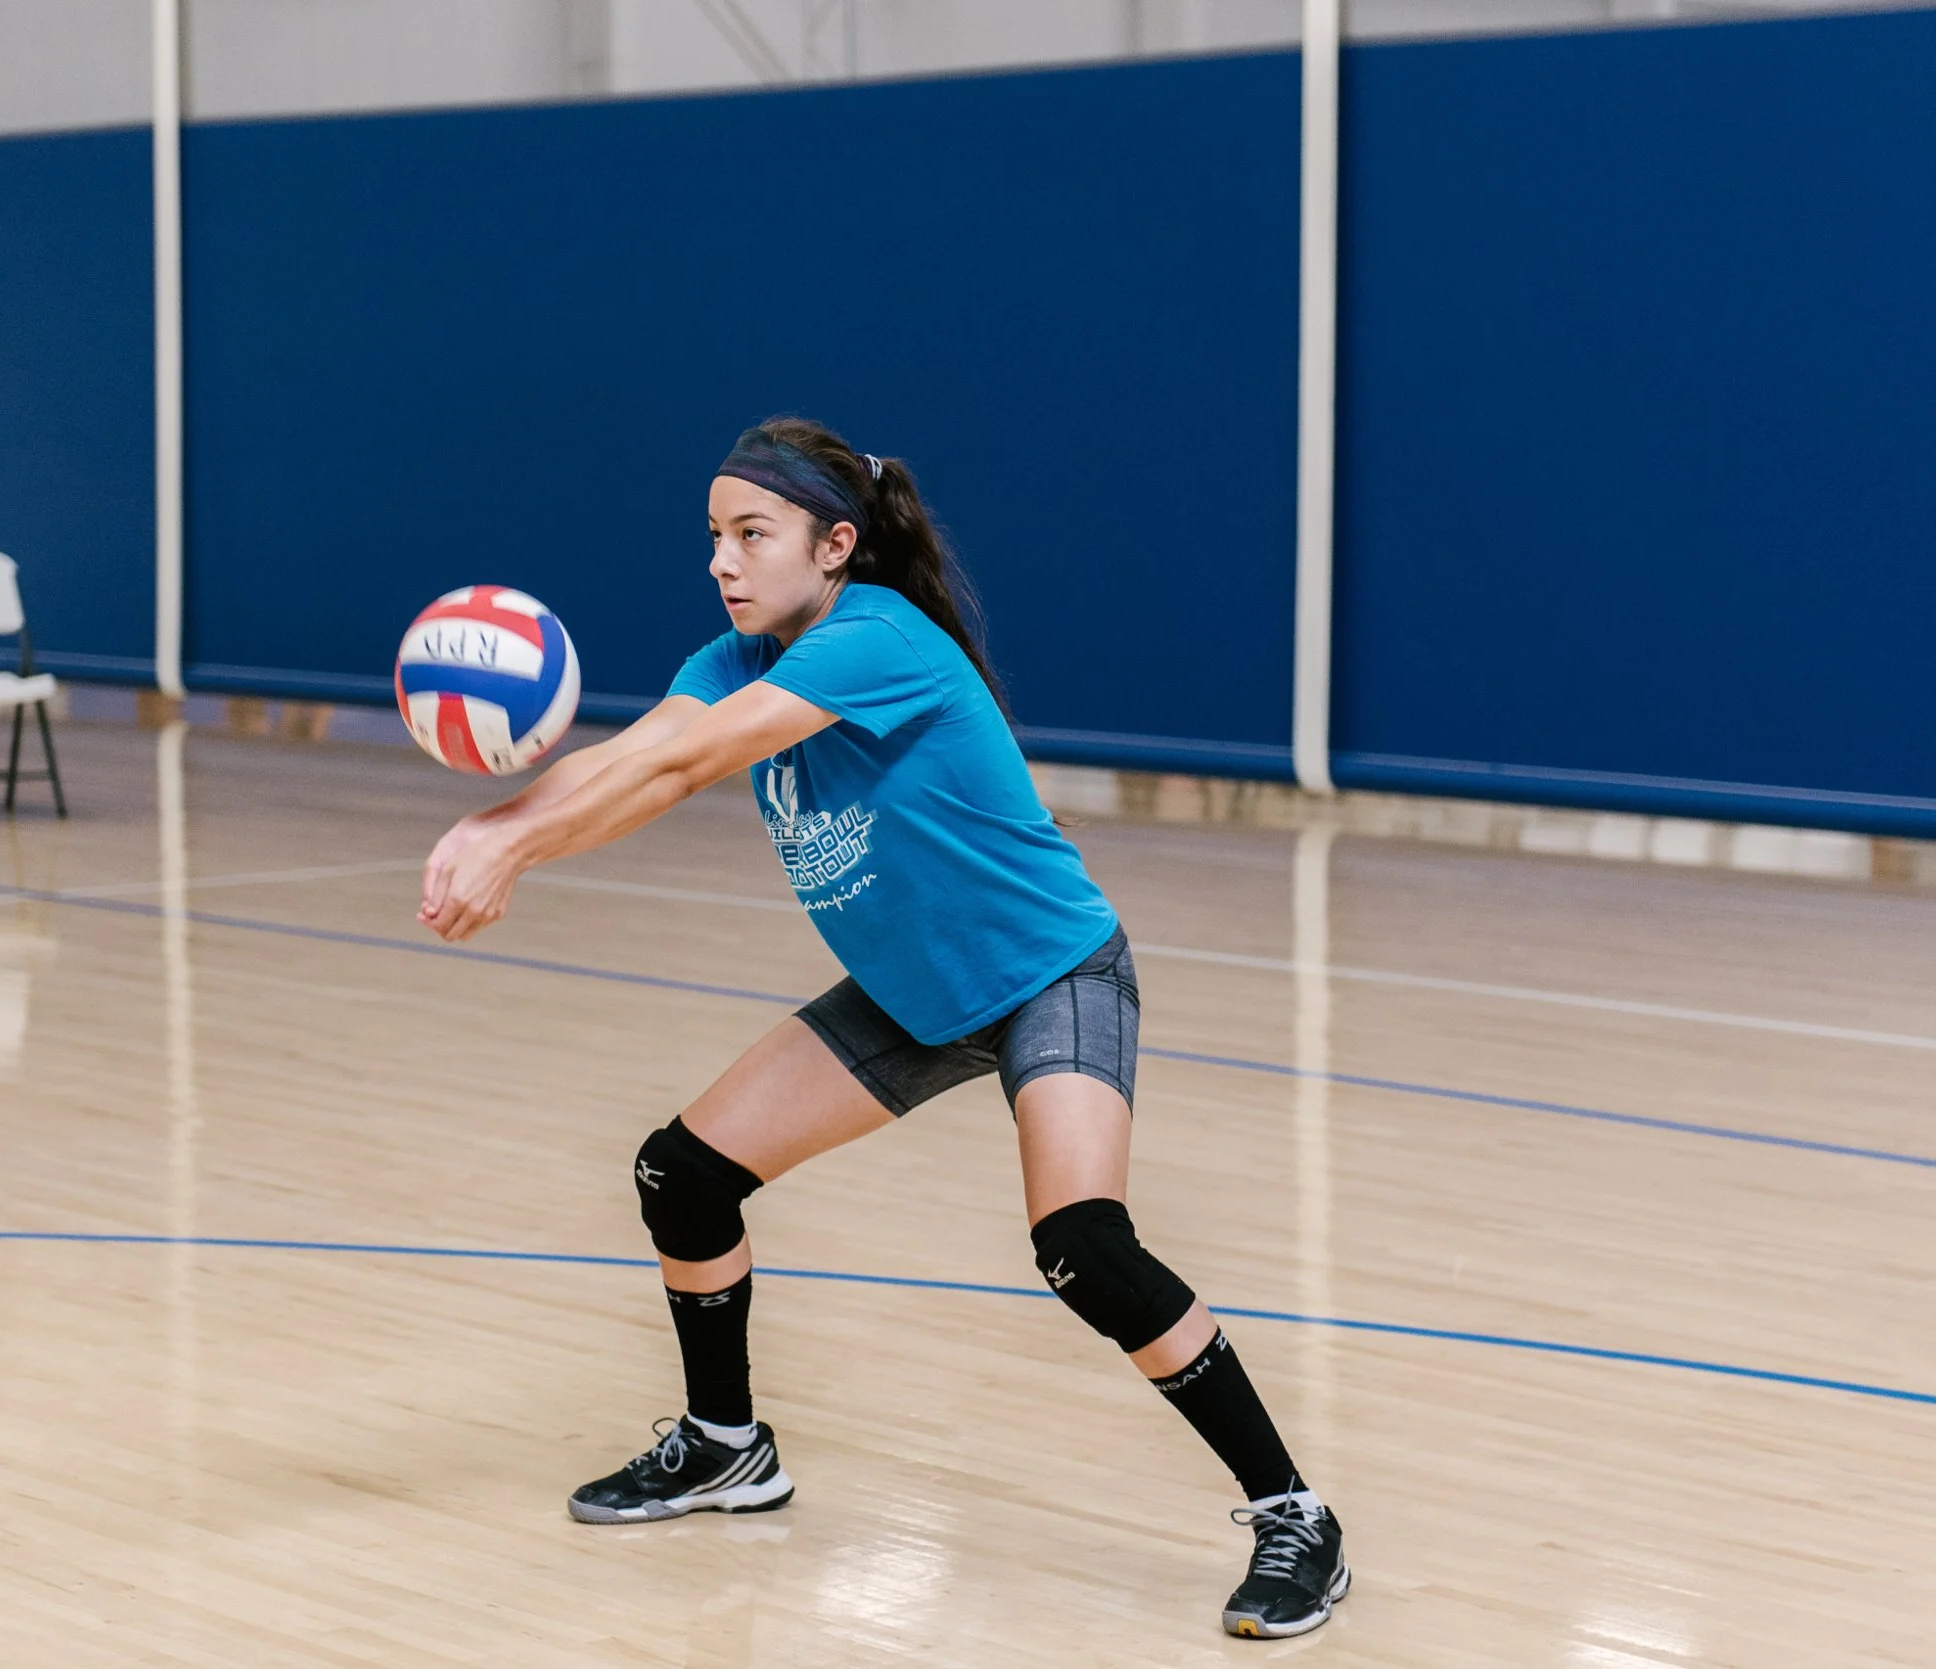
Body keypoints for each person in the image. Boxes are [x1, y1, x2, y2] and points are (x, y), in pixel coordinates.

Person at [417, 417, 1348, 1640]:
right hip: (914, 999)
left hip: (1045, 974)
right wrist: (501, 828)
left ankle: (1295, 1515)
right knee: (683, 1176)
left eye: (753, 534)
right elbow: (639, 756)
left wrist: (513, 843)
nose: (723, 562)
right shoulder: (733, 657)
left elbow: (692, 763)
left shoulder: (877, 639)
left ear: (835, 544)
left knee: (1082, 1242)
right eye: (712, 536)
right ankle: (723, 1445)